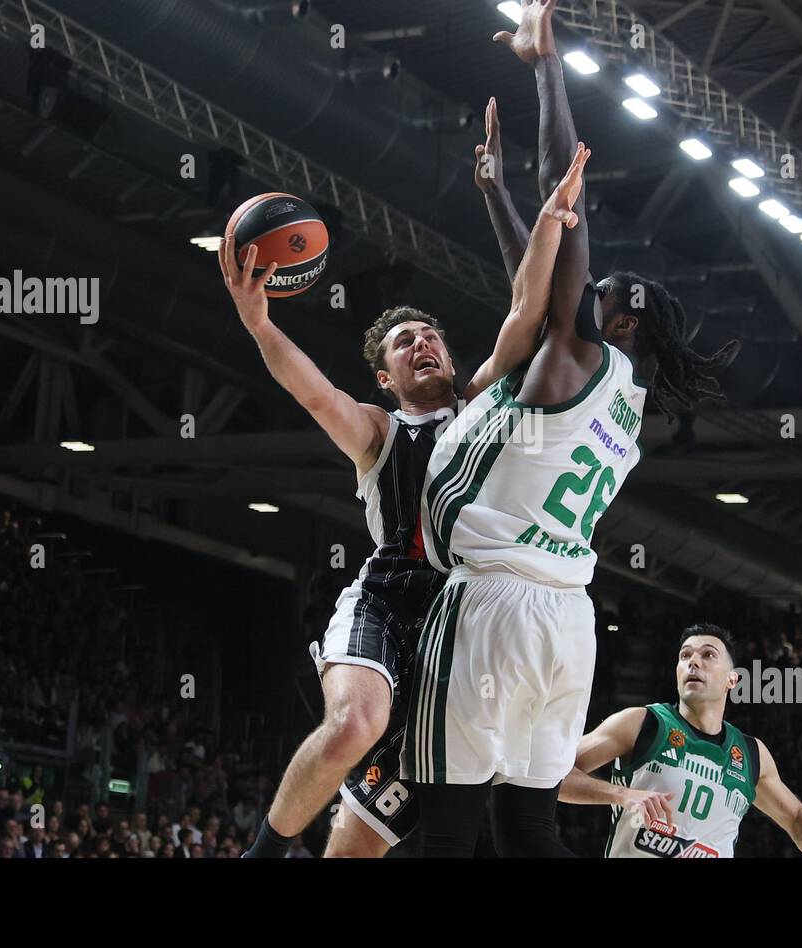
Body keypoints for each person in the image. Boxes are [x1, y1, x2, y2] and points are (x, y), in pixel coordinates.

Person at [402, 0, 737, 857]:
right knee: (527, 822)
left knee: (441, 816)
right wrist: (496, 196)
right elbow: (538, 286)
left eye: (605, 292)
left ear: (617, 321)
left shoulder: (581, 354)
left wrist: (544, 65)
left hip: (497, 604)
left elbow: (563, 226)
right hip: (566, 621)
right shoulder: (618, 396)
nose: (591, 294)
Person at [232, 144, 591, 858]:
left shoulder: (486, 403)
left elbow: (527, 310)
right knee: (352, 726)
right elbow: (313, 392)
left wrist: (543, 218)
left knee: (358, 848)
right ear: (386, 376)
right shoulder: (381, 431)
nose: (423, 343)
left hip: (462, 628)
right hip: (390, 599)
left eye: (431, 335)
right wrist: (262, 326)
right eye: (404, 342)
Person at [561, 625, 802, 857]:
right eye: (685, 656)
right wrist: (622, 795)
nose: (694, 661)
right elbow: (554, 776)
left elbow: (797, 818)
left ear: (732, 679)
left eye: (708, 655)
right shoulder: (642, 723)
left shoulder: (751, 754)